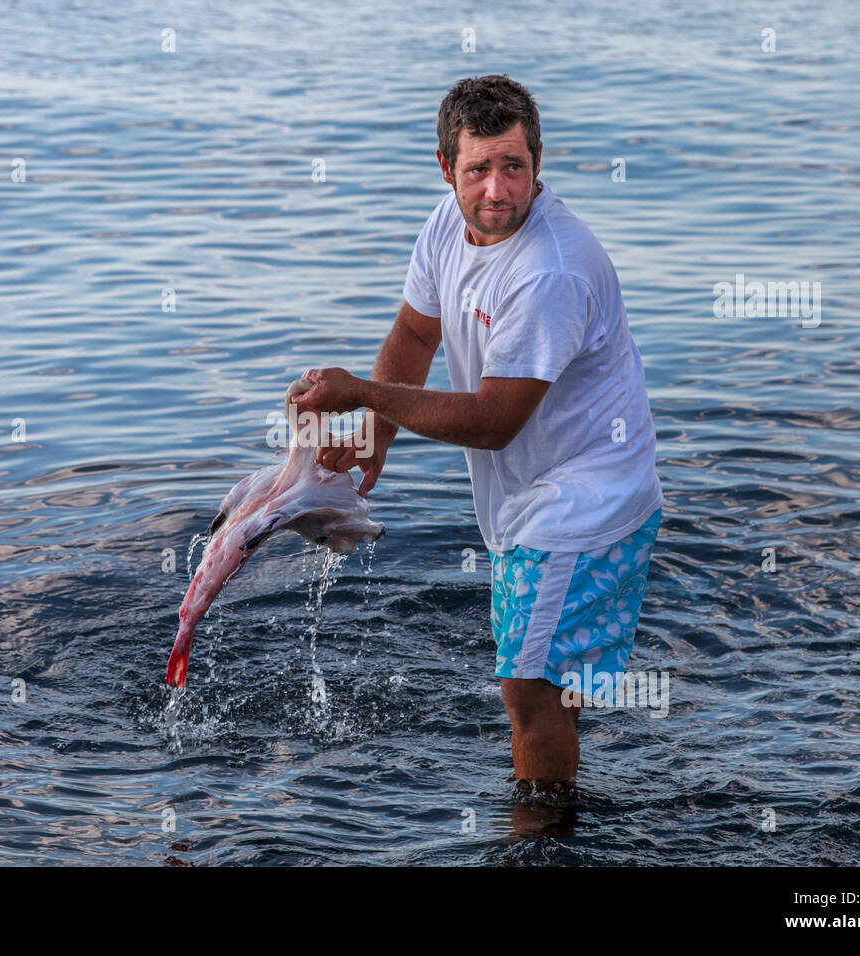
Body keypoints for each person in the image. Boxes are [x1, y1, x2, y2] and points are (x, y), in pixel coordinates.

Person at [290, 74, 664, 795]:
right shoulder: (445, 224)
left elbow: (494, 423)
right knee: (550, 677)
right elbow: (415, 330)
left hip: (583, 500)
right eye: (479, 169)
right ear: (446, 169)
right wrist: (376, 432)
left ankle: (540, 835)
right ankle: (560, 788)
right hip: (535, 496)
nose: (498, 190)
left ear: (539, 161)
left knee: (526, 687)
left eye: (514, 167)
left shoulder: (549, 271)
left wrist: (366, 394)